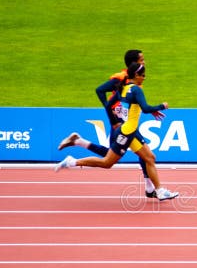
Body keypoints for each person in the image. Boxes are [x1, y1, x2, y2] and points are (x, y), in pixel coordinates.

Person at [55, 62, 179, 201]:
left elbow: (108, 105)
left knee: (150, 158)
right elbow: (145, 108)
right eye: (143, 75)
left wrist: (114, 122)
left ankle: (159, 190)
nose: (145, 78)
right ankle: (72, 162)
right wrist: (162, 106)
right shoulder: (137, 90)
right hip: (126, 133)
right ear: (136, 75)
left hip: (128, 131)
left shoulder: (123, 88)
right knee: (107, 163)